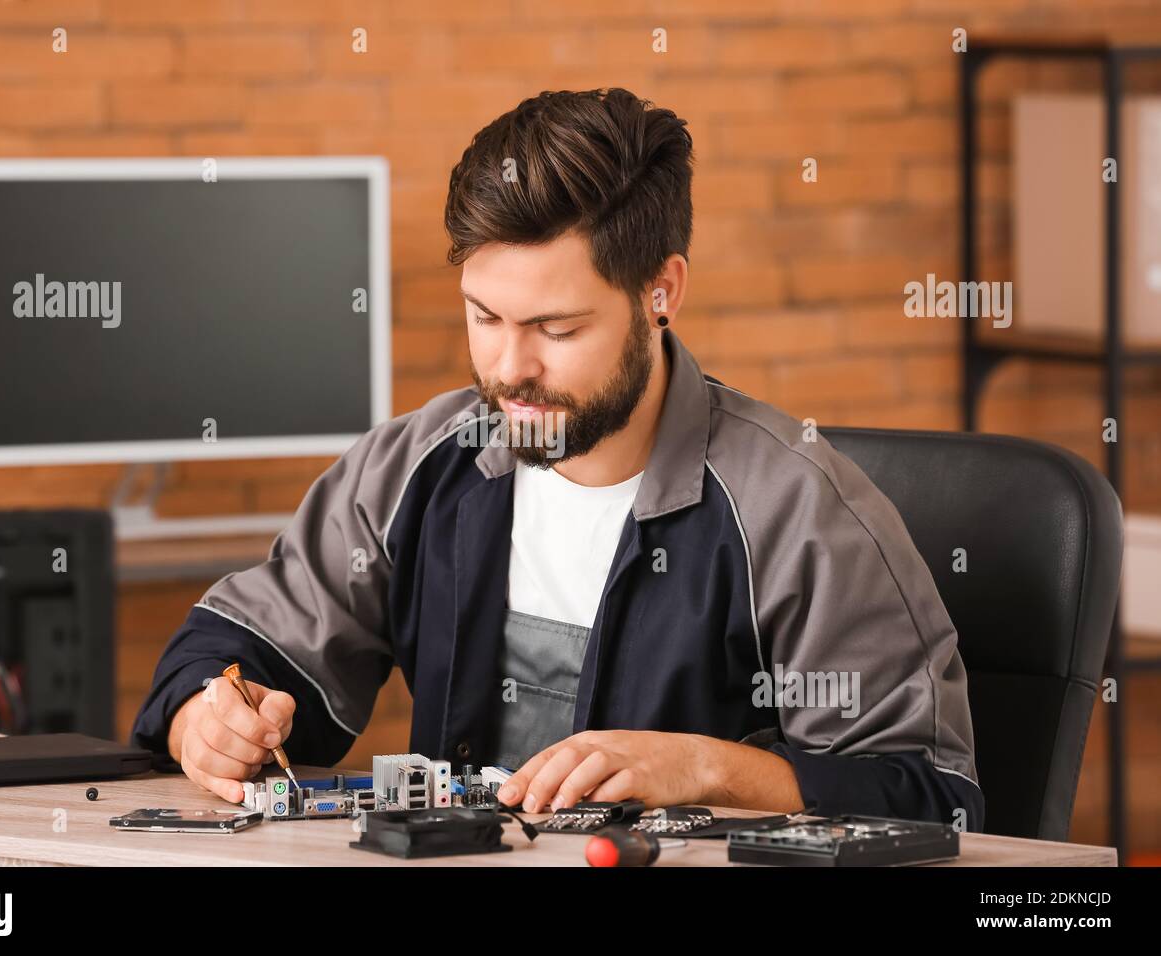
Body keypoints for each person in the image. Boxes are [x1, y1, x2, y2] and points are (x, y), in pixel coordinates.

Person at [132, 88, 984, 829]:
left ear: (662, 293)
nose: (508, 370)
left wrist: (708, 771)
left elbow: (930, 796)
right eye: (484, 317)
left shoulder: (799, 515)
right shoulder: (418, 469)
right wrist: (209, 722)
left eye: (557, 329)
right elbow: (232, 653)